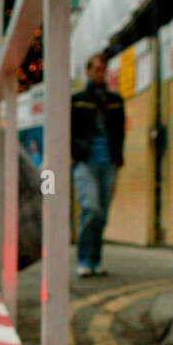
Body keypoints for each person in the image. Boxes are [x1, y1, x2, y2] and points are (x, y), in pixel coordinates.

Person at [70, 53, 124, 277]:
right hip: (85, 164)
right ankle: (84, 259)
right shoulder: (78, 99)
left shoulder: (115, 101)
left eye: (103, 68)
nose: (100, 72)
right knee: (90, 209)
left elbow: (120, 131)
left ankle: (96, 259)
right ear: (88, 71)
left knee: (102, 215)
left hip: (108, 164)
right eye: (96, 68)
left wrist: (117, 158)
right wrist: (73, 155)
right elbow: (69, 130)